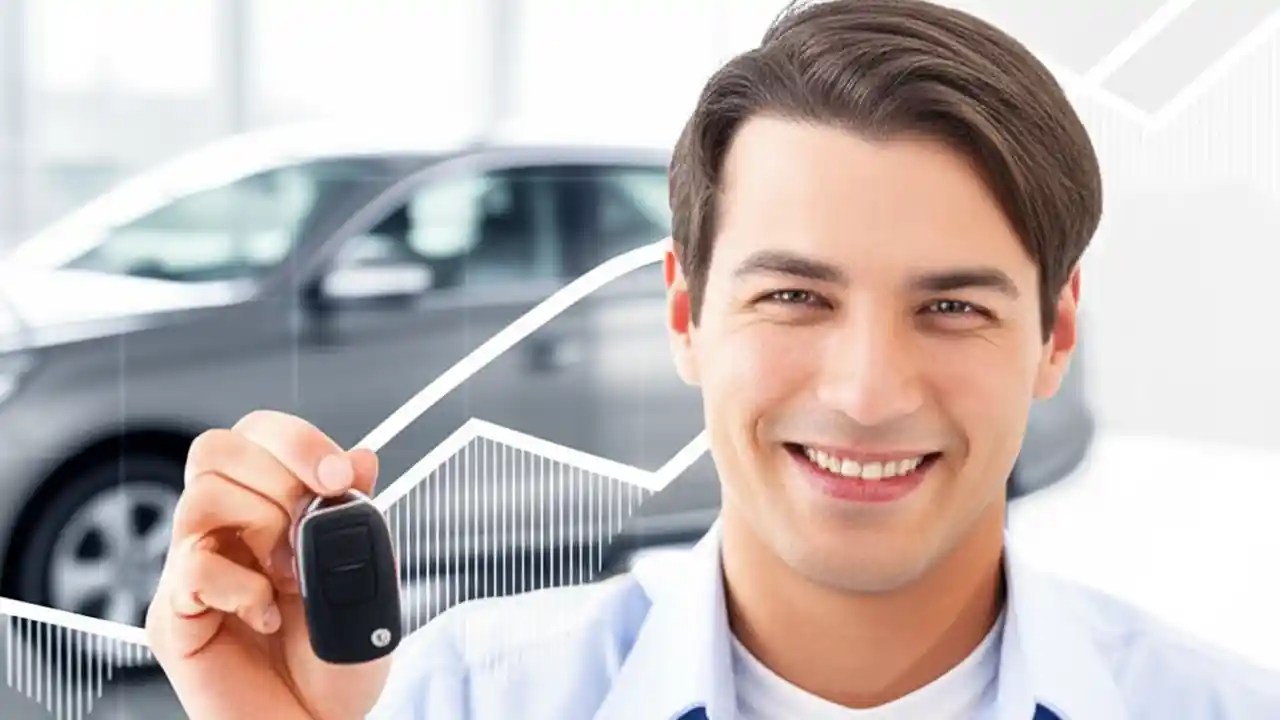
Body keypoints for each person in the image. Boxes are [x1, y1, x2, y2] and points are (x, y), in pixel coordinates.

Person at [146, 1, 1280, 718]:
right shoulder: (465, 700)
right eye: (794, 297)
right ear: (686, 314)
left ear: (1054, 334)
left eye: (950, 306)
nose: (866, 392)